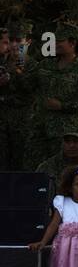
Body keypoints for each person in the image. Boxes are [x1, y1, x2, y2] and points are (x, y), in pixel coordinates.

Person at [21, 22, 78, 169]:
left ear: (72, 43)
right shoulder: (45, 65)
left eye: (60, 41)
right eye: (55, 40)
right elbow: (27, 86)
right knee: (34, 169)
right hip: (39, 129)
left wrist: (63, 106)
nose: (55, 44)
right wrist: (20, 68)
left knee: (62, 171)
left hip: (65, 134)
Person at [0, 24, 33, 172]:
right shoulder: (3, 62)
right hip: (3, 124)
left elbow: (31, 90)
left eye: (18, 40)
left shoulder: (32, 65)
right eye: (11, 40)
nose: (14, 45)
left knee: (20, 166)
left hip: (22, 124)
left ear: (27, 42)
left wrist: (14, 77)